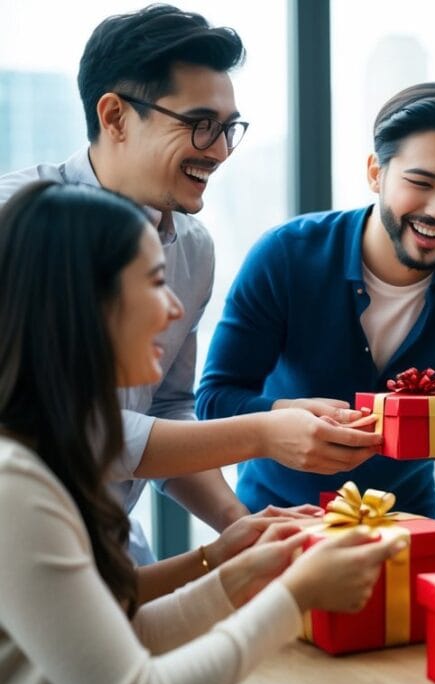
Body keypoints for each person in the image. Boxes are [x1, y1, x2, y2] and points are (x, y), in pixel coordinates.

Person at [0, 181, 406, 684]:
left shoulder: (48, 452)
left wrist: (232, 560)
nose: (172, 309)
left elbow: (129, 630)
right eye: (155, 282)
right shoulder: (14, 484)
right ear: (82, 302)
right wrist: (294, 597)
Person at [0, 5, 381, 571]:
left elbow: (170, 405)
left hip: (110, 545)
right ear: (115, 116)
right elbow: (62, 421)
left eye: (229, 128)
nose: (220, 149)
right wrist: (264, 433)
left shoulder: (193, 247)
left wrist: (237, 521)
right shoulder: (19, 222)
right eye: (200, 123)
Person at [197, 82, 435, 517]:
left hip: (409, 526)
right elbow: (214, 399)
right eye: (420, 183)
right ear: (375, 173)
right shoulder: (286, 255)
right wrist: (279, 419)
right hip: (275, 521)